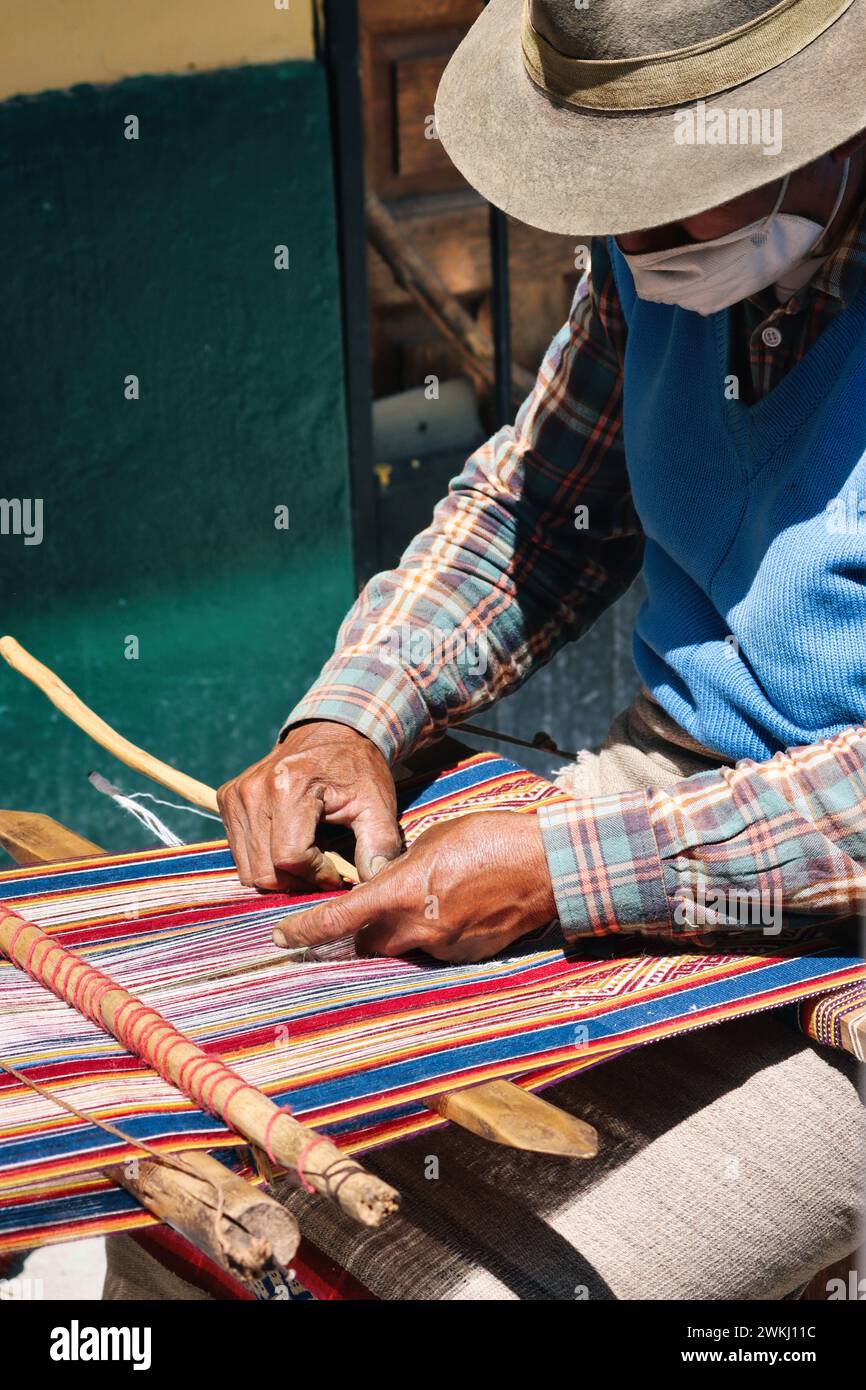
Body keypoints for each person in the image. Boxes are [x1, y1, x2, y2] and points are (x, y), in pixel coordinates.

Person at [106, 0, 866, 1300]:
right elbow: (536, 506)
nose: (630, 237)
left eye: (676, 193)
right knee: (200, 1169)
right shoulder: (661, 261)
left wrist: (574, 870)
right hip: (673, 791)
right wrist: (354, 712)